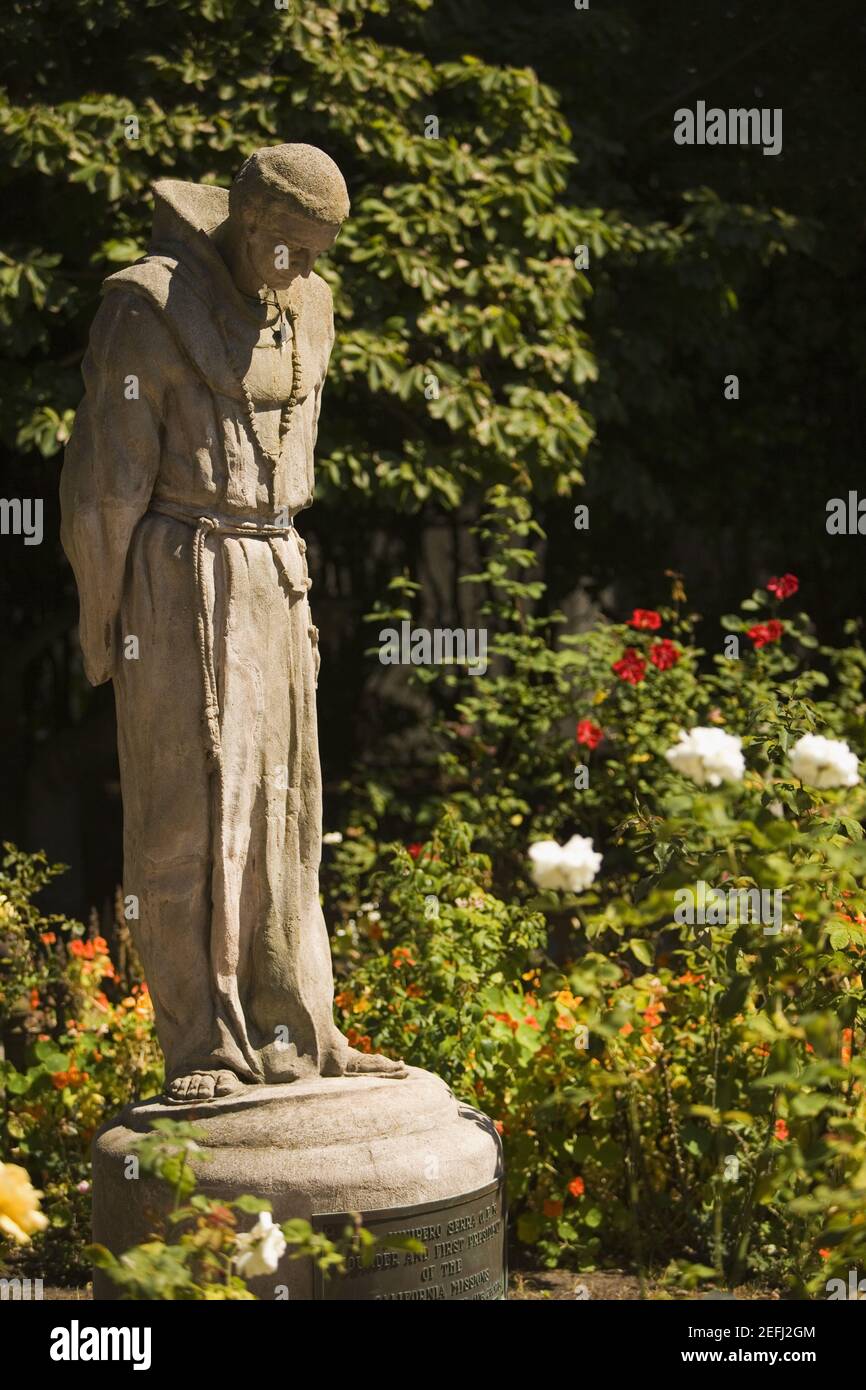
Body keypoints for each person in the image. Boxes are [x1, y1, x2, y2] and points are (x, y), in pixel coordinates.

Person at [61, 144, 407, 1102]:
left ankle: (301, 1032)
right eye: (291, 245)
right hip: (179, 576)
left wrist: (287, 572)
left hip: (272, 568)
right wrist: (102, 616)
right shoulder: (147, 307)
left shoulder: (312, 307)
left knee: (288, 812)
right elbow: (104, 481)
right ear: (249, 224)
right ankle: (203, 1045)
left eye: (321, 249)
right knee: (190, 811)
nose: (304, 268)